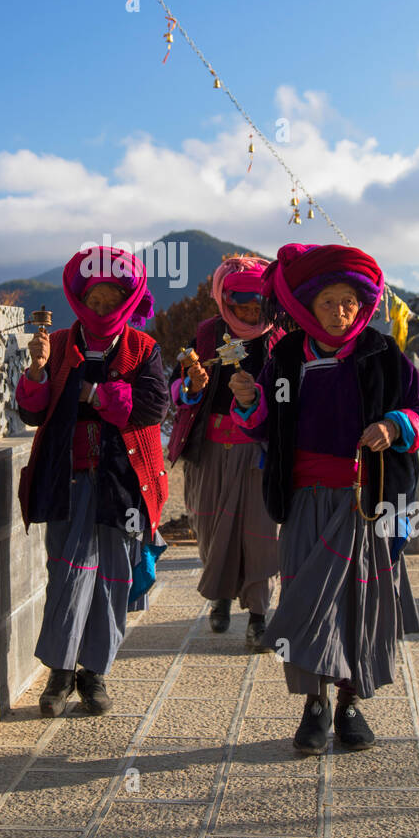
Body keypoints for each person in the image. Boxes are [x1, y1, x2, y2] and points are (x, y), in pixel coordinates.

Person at [227, 242, 419, 753]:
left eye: (350, 301)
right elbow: (263, 426)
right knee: (306, 601)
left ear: (363, 303)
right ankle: (313, 705)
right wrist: (248, 400)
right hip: (305, 498)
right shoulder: (286, 355)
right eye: (329, 302)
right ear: (307, 306)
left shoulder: (381, 353)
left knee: (357, 603)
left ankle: (348, 705)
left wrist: (396, 425)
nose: (341, 311)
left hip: (366, 499)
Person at [16, 245, 170, 718]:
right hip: (69, 479)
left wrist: (92, 392)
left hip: (123, 483)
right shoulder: (60, 344)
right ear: (80, 299)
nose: (102, 309)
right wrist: (38, 370)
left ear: (126, 302)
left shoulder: (143, 348)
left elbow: (151, 407)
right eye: (95, 300)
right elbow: (31, 412)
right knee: (67, 571)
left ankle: (94, 672)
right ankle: (60, 673)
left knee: (113, 576)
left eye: (111, 301)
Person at [167, 255, 281, 648]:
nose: (251, 312)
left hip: (259, 451)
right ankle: (220, 596)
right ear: (224, 300)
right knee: (210, 526)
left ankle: (258, 615)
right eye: (241, 305)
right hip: (210, 447)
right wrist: (192, 388)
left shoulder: (281, 337)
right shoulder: (207, 334)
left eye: (258, 305)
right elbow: (178, 390)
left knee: (260, 533)